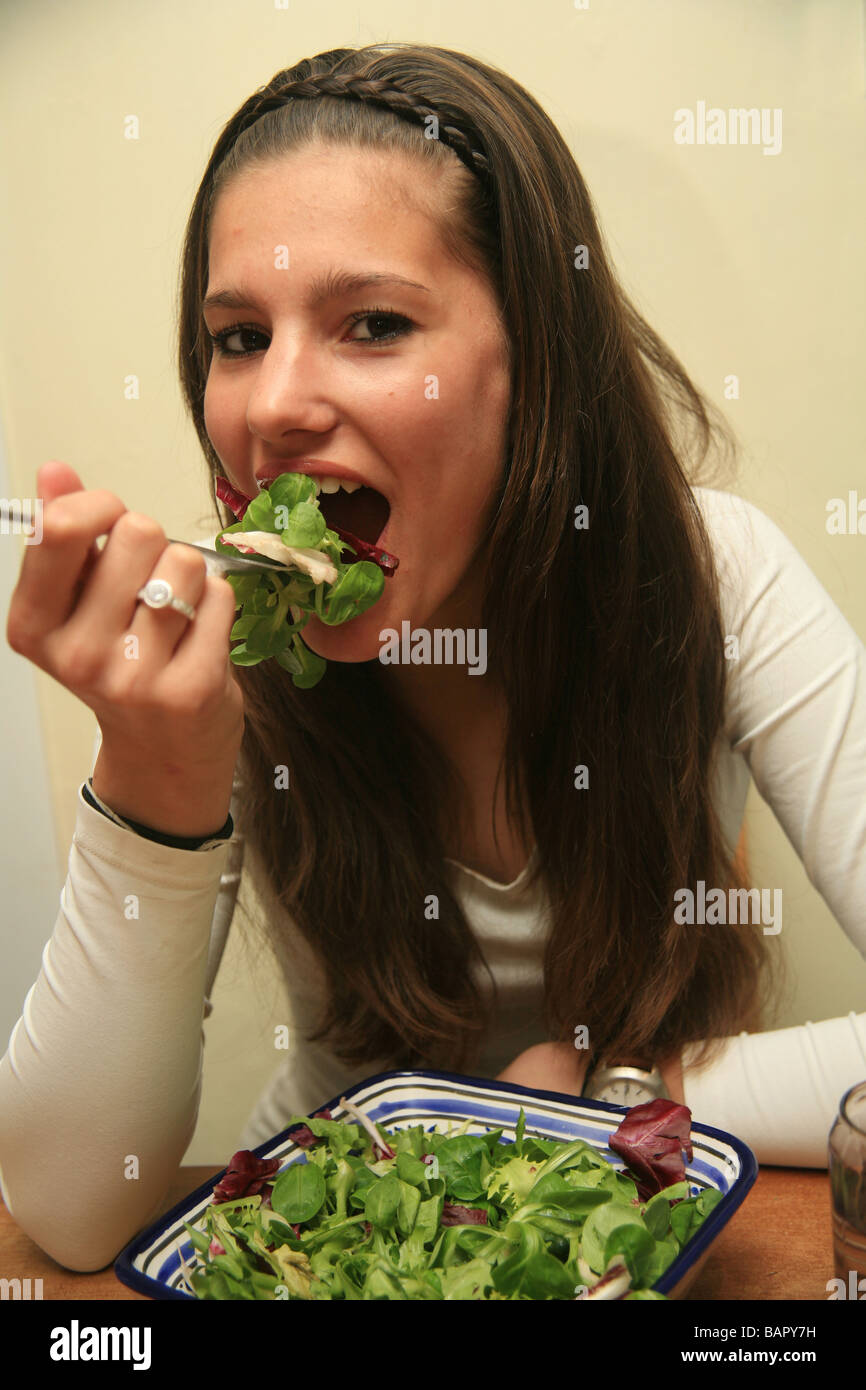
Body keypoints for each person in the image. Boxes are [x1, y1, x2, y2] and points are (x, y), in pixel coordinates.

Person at [1, 42, 864, 1274]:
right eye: (237, 337)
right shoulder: (211, 653)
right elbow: (76, 1207)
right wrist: (155, 781)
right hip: (323, 1242)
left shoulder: (713, 576)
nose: (273, 404)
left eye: (373, 323)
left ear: (535, 368)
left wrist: (608, 1094)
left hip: (624, 1236)